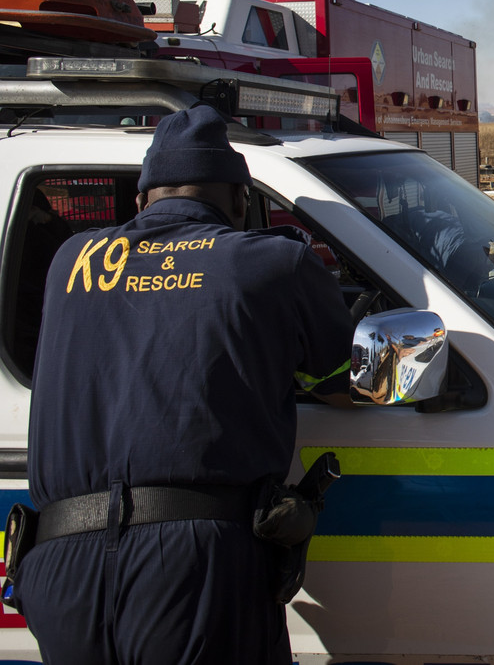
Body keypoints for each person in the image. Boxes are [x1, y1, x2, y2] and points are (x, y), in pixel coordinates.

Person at [18, 104, 354, 664]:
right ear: (241, 201)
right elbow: (345, 381)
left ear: (140, 201)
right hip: (191, 567)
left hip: (58, 569)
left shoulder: (69, 262)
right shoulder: (272, 263)